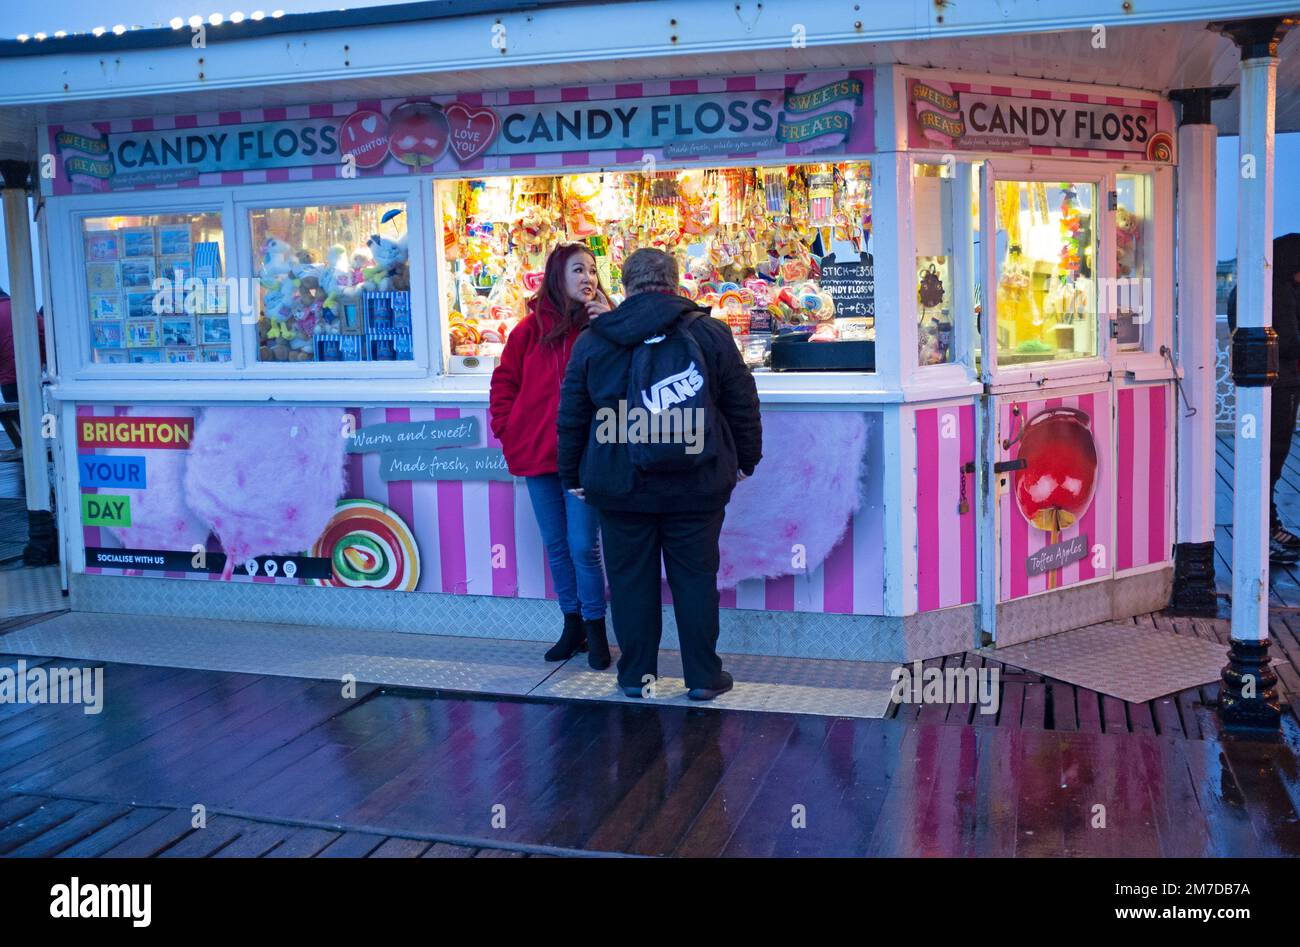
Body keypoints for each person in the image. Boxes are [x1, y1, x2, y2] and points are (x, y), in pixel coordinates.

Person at [557, 248, 762, 701]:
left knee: (630, 583)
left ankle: (636, 678)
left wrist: (572, 473)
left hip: (620, 484)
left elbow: (572, 413)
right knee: (695, 580)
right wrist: (747, 458)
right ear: (675, 283)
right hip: (697, 482)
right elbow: (741, 401)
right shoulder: (709, 332)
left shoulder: (595, 339)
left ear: (626, 286)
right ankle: (704, 678)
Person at [490, 242, 613, 666]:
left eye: (593, 271)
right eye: (578, 270)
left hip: (586, 459)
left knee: (584, 546)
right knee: (557, 545)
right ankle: (573, 626)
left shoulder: (604, 327)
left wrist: (613, 327)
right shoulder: (528, 330)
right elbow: (503, 384)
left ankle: (597, 629)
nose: (588, 278)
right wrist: (508, 430)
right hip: (538, 455)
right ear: (557, 276)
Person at [1227, 233, 1300, 564]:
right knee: (1269, 458)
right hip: (1278, 386)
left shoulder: (1249, 287)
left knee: (1260, 459)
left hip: (1257, 386)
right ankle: (1260, 534)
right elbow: (1286, 342)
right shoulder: (1279, 292)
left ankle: (1266, 526)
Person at [0, 289, 45, 450]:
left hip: (8, 379)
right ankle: (43, 450)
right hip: (33, 374)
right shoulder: (24, 308)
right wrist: (43, 363)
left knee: (17, 420)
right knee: (37, 414)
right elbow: (43, 334)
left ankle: (28, 456)